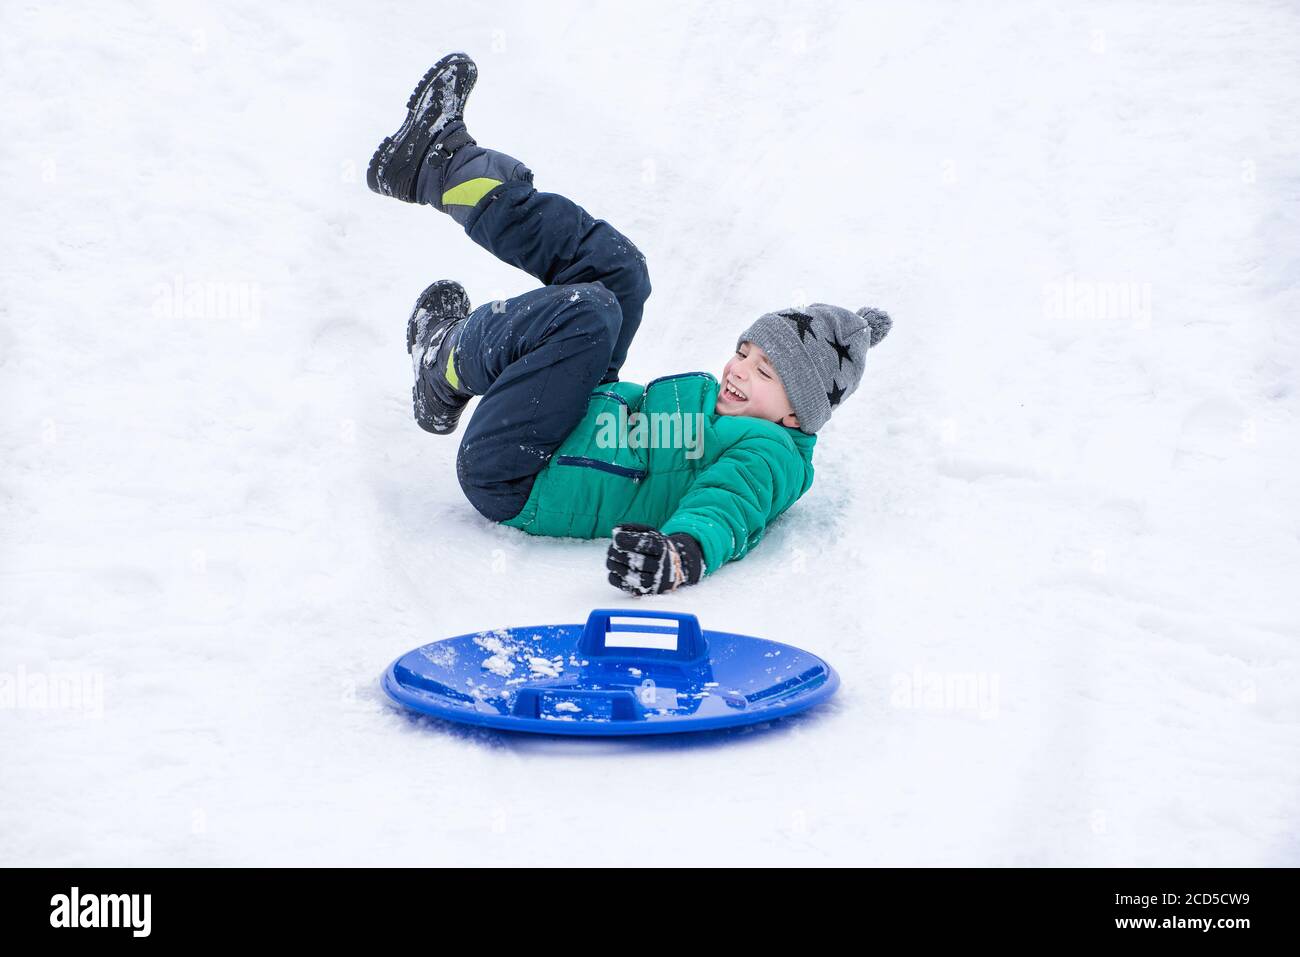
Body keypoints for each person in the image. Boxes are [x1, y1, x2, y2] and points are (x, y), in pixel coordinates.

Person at [366, 52, 891, 595]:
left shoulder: (770, 452)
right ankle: (443, 168)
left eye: (765, 374)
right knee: (621, 274)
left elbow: (731, 506)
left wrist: (680, 556)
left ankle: (443, 363)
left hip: (520, 474)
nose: (739, 372)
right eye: (745, 353)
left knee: (589, 313)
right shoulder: (731, 414)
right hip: (575, 422)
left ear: (795, 415)